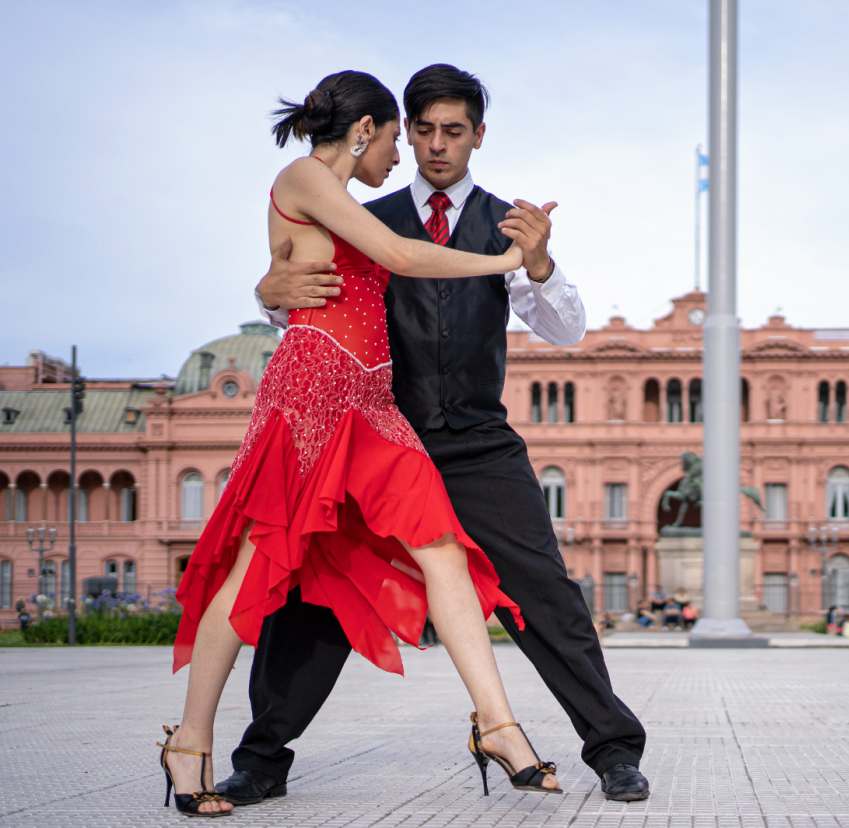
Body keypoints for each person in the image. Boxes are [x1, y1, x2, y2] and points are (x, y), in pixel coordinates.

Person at [226, 66, 650, 806]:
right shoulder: (361, 210)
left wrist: (541, 263)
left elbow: (566, 328)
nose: (435, 145)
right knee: (316, 595)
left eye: (453, 130)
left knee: (546, 592)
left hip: (478, 442)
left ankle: (614, 749)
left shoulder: (507, 225)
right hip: (377, 437)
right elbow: (301, 292)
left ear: (479, 135)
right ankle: (262, 757)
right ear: (401, 130)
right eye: (421, 130)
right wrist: (268, 290)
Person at [158, 71, 562, 817]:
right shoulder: (305, 176)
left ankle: (499, 726)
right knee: (256, 570)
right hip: (314, 395)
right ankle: (190, 740)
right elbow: (400, 259)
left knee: (442, 548)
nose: (403, 162)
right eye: (395, 143)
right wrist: (505, 263)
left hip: (371, 404)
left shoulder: (333, 196)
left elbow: (309, 267)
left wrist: (269, 283)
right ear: (368, 129)